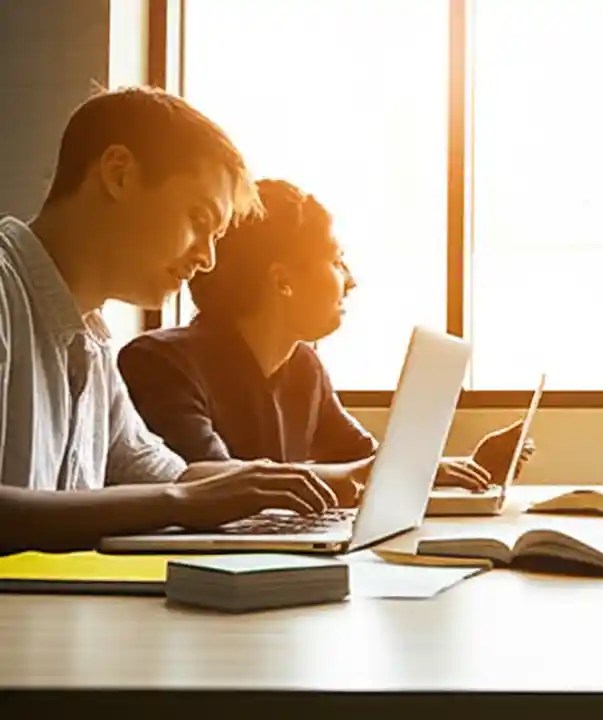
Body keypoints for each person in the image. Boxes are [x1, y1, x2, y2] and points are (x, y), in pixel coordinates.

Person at [0, 87, 344, 554]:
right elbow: (177, 495)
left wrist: (273, 482)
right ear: (119, 174)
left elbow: (165, 475)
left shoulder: (90, 341)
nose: (207, 258)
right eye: (199, 220)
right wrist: (179, 502)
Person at [118, 179, 532, 503]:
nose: (350, 280)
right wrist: (382, 473)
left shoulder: (303, 366)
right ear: (282, 281)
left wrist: (459, 471)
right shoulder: (159, 363)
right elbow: (209, 488)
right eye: (336, 260)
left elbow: (367, 465)